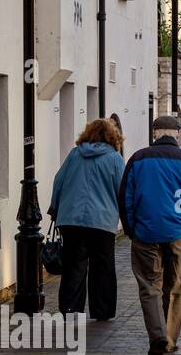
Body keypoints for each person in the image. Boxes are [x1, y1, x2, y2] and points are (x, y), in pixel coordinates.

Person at [118, 115, 181, 355]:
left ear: (155, 133)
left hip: (145, 232)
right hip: (180, 231)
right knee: (175, 286)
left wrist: (131, 229)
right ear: (177, 134)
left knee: (150, 286)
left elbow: (126, 197)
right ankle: (169, 338)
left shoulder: (138, 159)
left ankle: (157, 335)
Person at [49, 119, 126, 321]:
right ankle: (102, 311)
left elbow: (59, 180)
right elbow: (122, 190)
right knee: (103, 266)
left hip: (71, 219)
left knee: (73, 264)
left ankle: (70, 309)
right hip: (102, 221)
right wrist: (127, 216)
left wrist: (55, 207)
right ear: (113, 137)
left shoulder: (75, 155)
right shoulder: (115, 159)